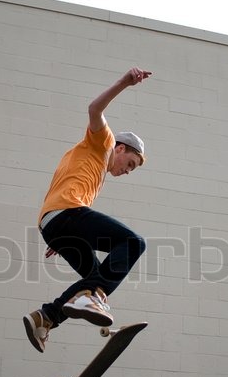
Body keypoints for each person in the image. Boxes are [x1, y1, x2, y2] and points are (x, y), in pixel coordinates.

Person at [23, 67, 151, 353]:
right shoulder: (102, 142)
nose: (126, 172)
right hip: (66, 215)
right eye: (129, 164)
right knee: (134, 243)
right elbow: (94, 108)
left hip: (55, 224)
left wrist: (58, 234)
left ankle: (46, 317)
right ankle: (86, 298)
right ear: (120, 149)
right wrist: (124, 83)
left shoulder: (90, 170)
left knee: (94, 278)